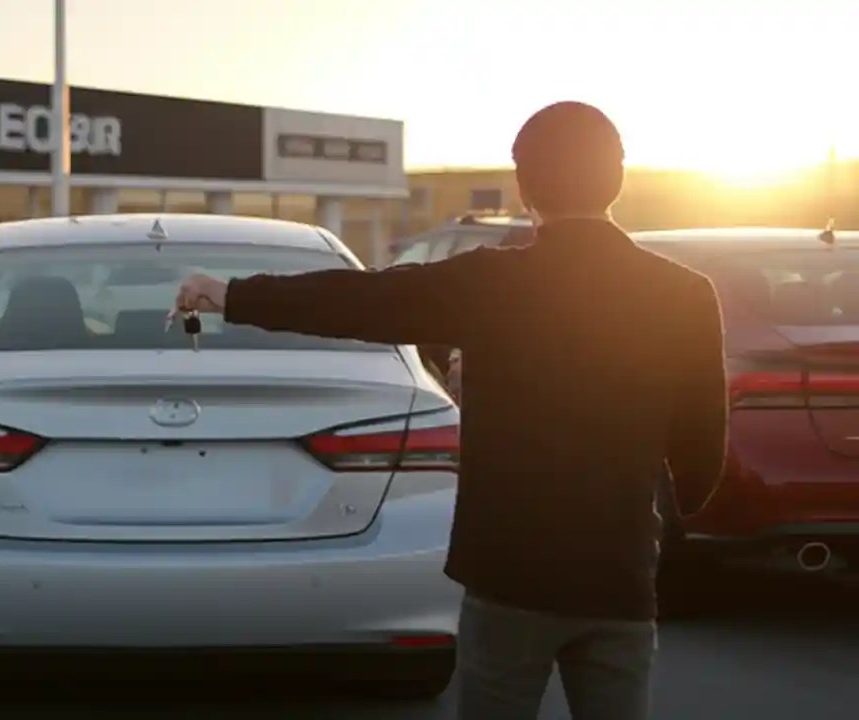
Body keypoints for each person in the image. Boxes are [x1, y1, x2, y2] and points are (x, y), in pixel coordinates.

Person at [172, 101, 728, 720]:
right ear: (617, 178)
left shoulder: (490, 283)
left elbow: (363, 300)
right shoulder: (684, 296)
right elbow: (701, 465)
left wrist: (231, 294)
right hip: (618, 579)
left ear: (526, 186)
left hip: (508, 577)